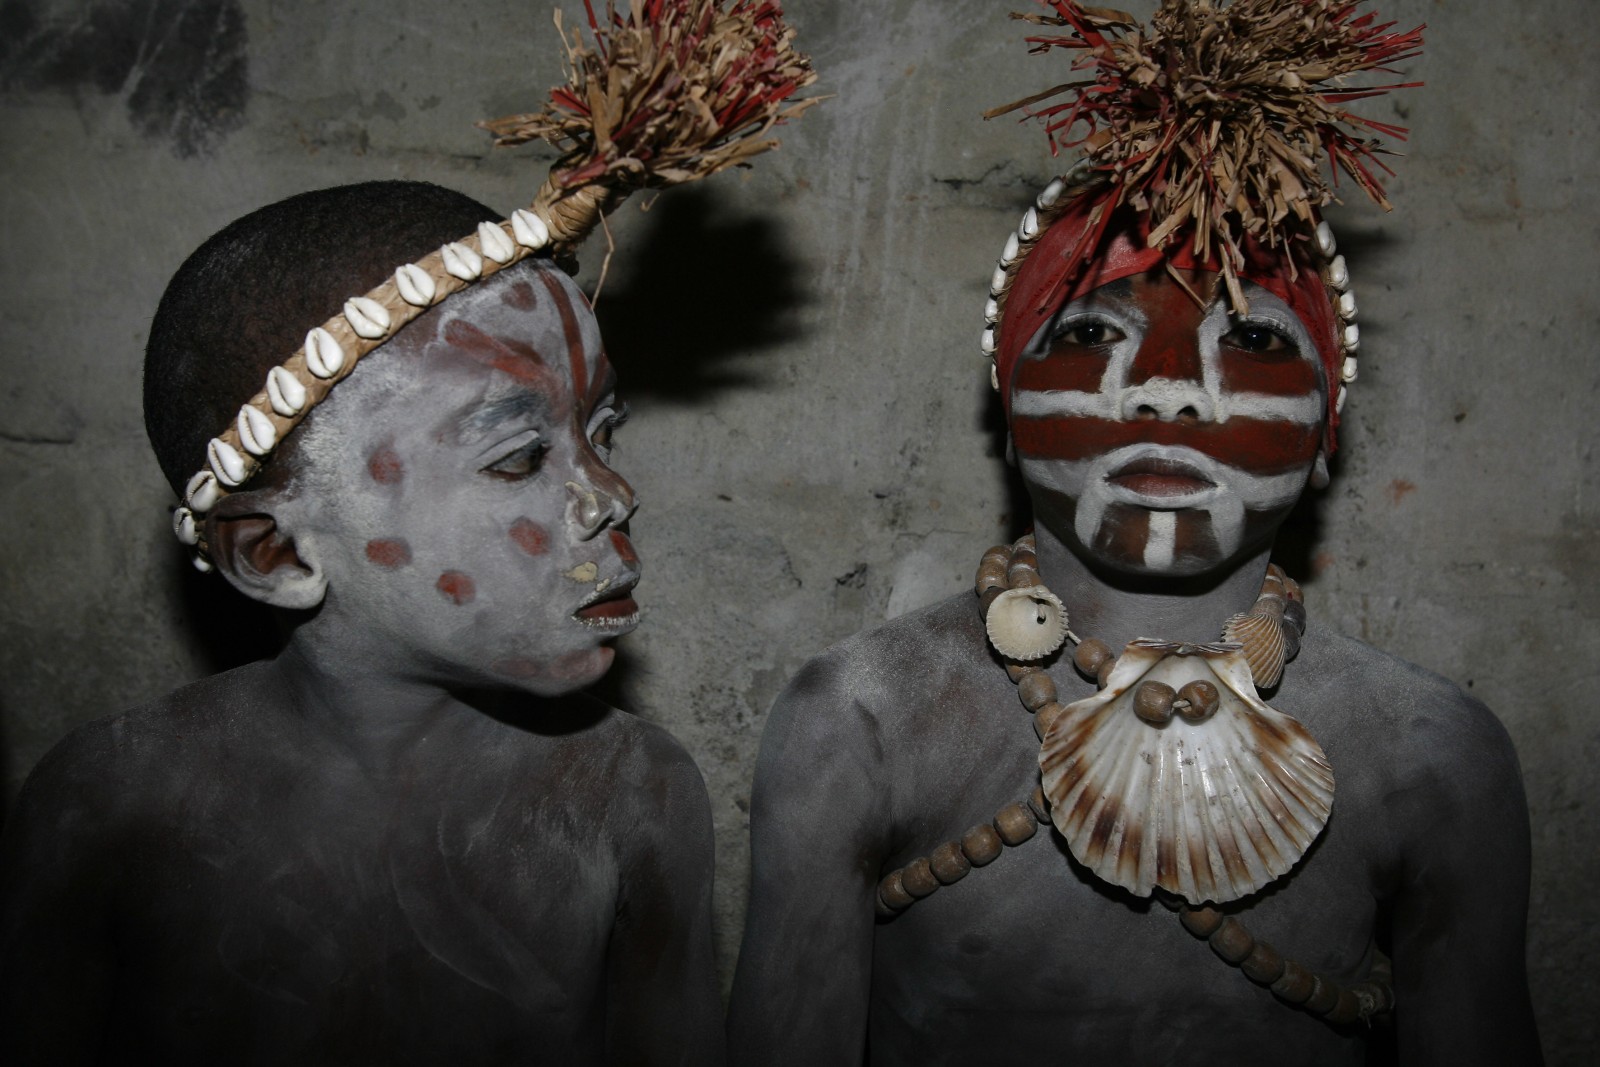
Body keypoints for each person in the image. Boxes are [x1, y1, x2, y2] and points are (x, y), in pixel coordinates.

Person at [728, 3, 1541, 1064]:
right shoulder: (863, 716)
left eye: (1252, 338)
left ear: (1326, 431)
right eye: (1087, 330)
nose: (1166, 385)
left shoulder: (1430, 753)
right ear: (1006, 411)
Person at [0, 180, 723, 1064]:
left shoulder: (631, 789)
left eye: (601, 432)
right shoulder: (111, 803)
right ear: (275, 554)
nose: (611, 494)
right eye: (520, 456)